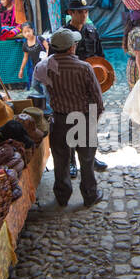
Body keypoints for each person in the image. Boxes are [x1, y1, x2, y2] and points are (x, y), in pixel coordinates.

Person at [35, 27, 105, 207]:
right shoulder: (84, 68)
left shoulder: (44, 66)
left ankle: (62, 196)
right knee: (87, 160)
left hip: (59, 120)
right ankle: (90, 195)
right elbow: (98, 99)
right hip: (82, 119)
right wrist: (93, 120)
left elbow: (39, 89)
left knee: (61, 161)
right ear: (71, 47)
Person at [64, 0, 108, 173]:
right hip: (72, 86)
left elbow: (100, 57)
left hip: (90, 85)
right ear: (70, 13)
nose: (84, 15)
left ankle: (90, 158)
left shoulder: (91, 30)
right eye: (80, 12)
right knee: (73, 122)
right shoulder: (63, 35)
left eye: (86, 11)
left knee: (90, 124)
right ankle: (72, 161)